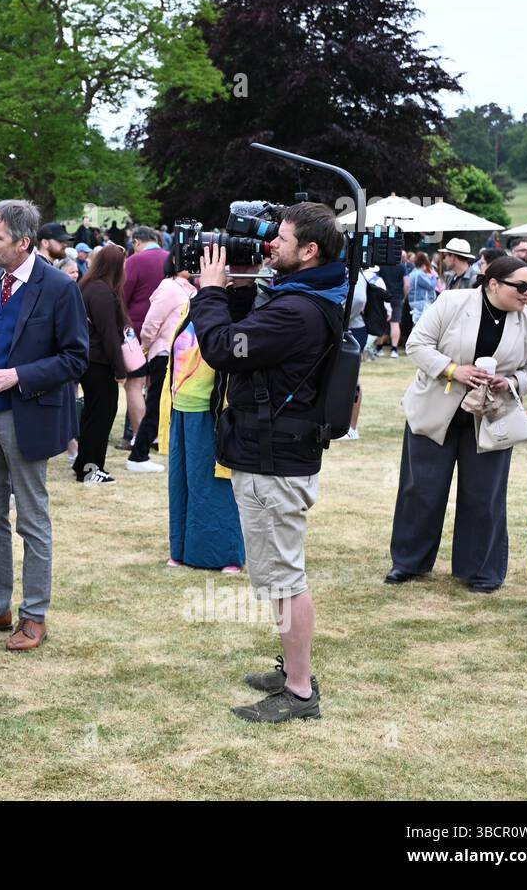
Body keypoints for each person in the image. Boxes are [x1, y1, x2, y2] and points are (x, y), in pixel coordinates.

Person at [188, 202, 351, 723]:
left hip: (275, 461)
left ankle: (300, 693)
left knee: (283, 579)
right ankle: (293, 671)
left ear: (310, 251)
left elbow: (220, 347)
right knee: (280, 574)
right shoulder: (304, 296)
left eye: (280, 239)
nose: (269, 245)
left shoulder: (296, 312)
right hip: (275, 452)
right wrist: (236, 286)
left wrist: (210, 290)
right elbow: (249, 335)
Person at [0, 200, 88, 651]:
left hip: (28, 416)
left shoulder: (59, 287)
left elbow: (76, 357)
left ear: (24, 242)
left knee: (32, 520)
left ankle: (34, 615)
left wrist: (17, 376)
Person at [386, 256, 527, 592]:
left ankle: (481, 572)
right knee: (421, 490)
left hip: (490, 418)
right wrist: (451, 370)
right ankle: (408, 563)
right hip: (435, 410)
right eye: (520, 286)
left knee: (484, 495)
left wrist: (513, 381)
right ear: (493, 284)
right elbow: (416, 344)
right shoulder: (452, 302)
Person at [157, 270, 245, 573]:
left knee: (213, 484)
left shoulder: (236, 308)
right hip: (181, 406)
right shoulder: (190, 304)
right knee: (182, 482)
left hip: (211, 410)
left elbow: (234, 353)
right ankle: (181, 549)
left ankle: (225, 554)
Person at [131, 254, 195, 472]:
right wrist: (146, 347)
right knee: (157, 405)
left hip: (185, 358)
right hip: (164, 355)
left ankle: (147, 450)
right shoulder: (169, 287)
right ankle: (138, 455)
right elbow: (151, 322)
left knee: (172, 406)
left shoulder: (191, 289)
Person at [73, 245, 130, 484]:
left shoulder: (87, 286)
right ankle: (91, 468)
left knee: (93, 415)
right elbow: (109, 334)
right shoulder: (102, 292)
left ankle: (84, 464)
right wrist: (120, 369)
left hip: (89, 360)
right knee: (101, 416)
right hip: (99, 363)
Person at [121, 226, 169, 447]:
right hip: (169, 332)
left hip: (138, 330)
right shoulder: (171, 258)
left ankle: (138, 436)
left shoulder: (135, 261)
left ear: (137, 242)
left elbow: (123, 295)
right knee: (160, 385)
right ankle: (158, 433)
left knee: (135, 384)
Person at [406, 251, 438, 325]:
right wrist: (434, 276)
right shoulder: (420, 274)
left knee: (416, 323)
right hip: (420, 303)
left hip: (413, 301)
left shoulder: (412, 273)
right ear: (423, 264)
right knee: (421, 325)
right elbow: (431, 285)